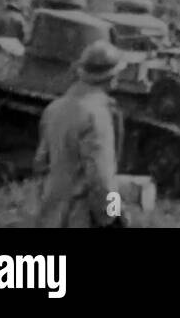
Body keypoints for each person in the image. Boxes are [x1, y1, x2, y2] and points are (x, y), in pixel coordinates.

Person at [33, 41, 127, 228]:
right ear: (112, 77)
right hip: (80, 217)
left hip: (51, 214)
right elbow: (102, 178)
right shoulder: (97, 114)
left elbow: (40, 163)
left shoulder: (54, 108)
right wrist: (115, 215)